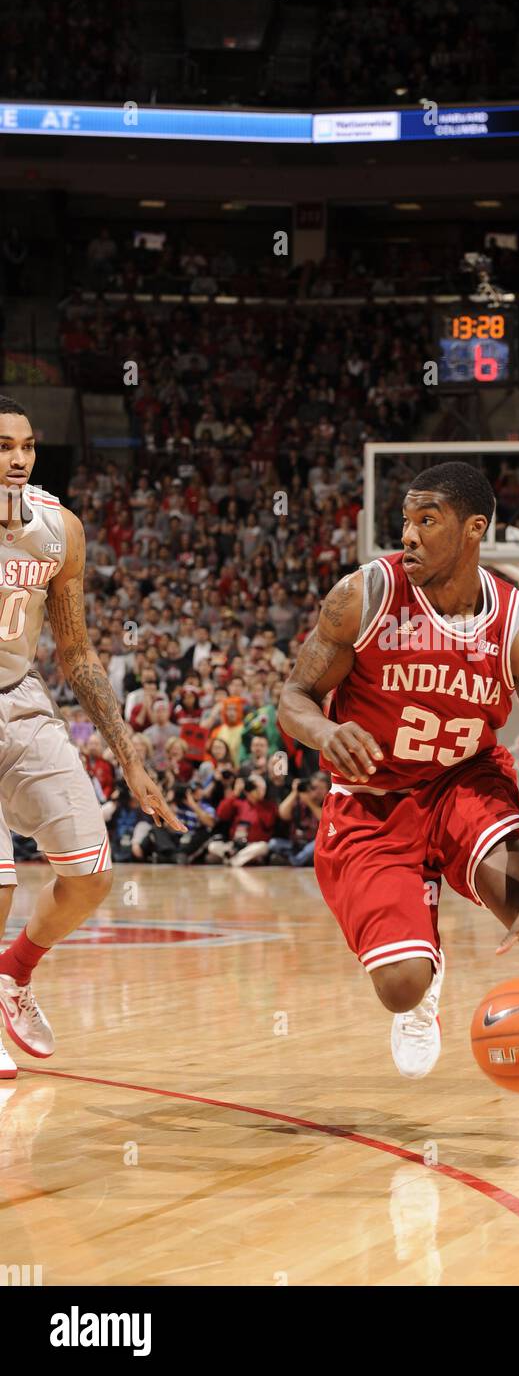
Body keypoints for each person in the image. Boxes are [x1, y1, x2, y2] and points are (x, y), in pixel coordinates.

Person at [278, 461, 519, 1155]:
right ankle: (425, 964)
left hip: (464, 783)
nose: (408, 534)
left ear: (473, 529)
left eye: (426, 520)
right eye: (405, 520)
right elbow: (294, 697)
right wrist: (322, 730)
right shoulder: (363, 597)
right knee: (400, 986)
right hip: (373, 798)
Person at [0, 395, 183, 1079]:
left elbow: (75, 653)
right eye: (2, 447)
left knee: (91, 874)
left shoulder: (60, 529)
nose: (18, 458)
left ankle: (14, 973)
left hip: (20, 699)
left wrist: (130, 761)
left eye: (26, 445)